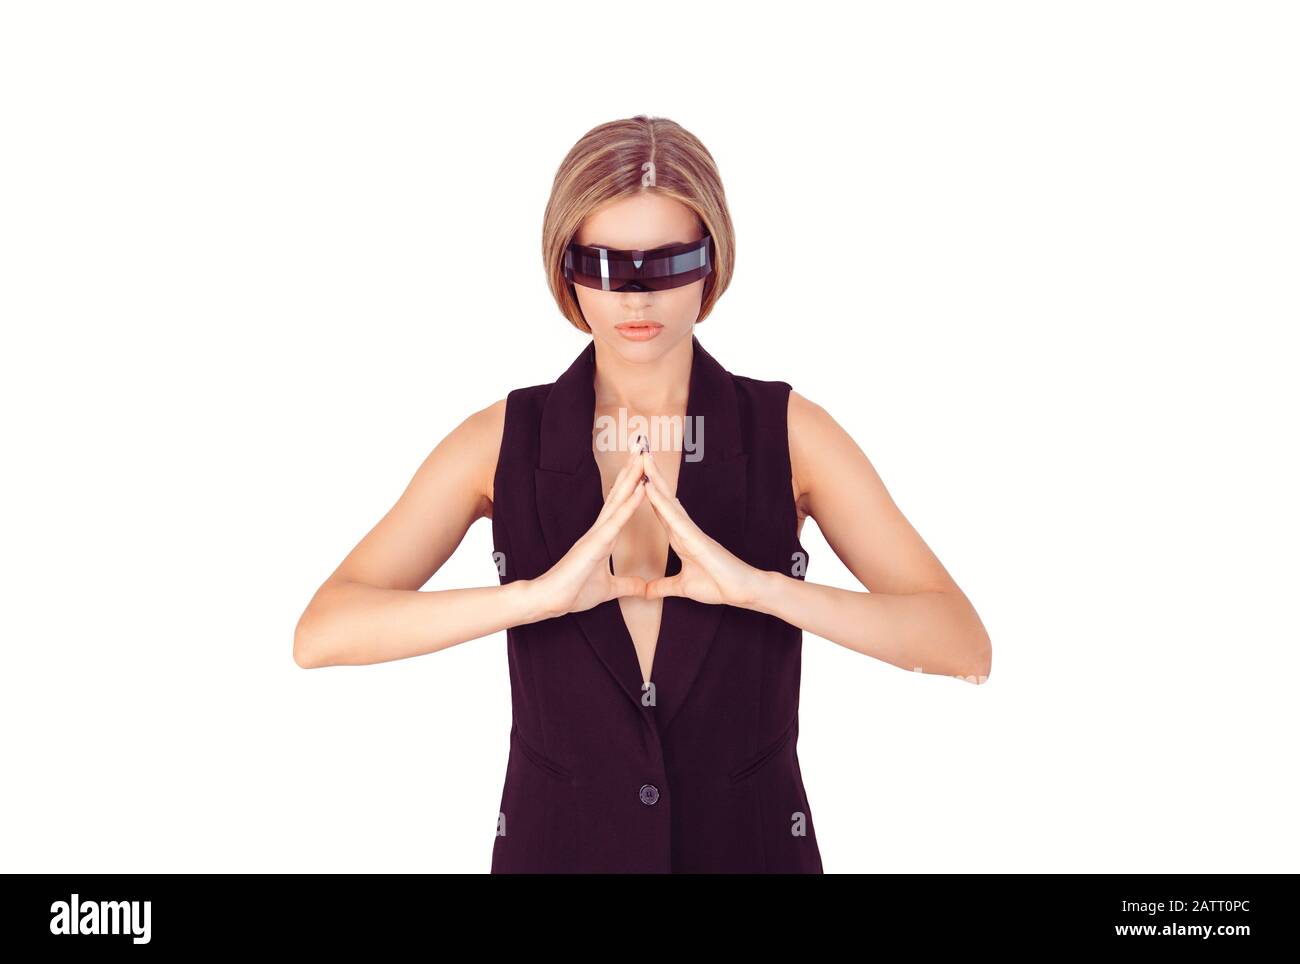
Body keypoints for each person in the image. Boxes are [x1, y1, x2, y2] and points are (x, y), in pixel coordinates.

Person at [293, 114, 992, 873]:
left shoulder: (792, 434)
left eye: (665, 264)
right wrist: (531, 599)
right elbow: (323, 631)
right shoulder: (498, 440)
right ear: (565, 268)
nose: (633, 295)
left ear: (711, 265)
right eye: (603, 263)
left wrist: (764, 591)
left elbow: (960, 642)